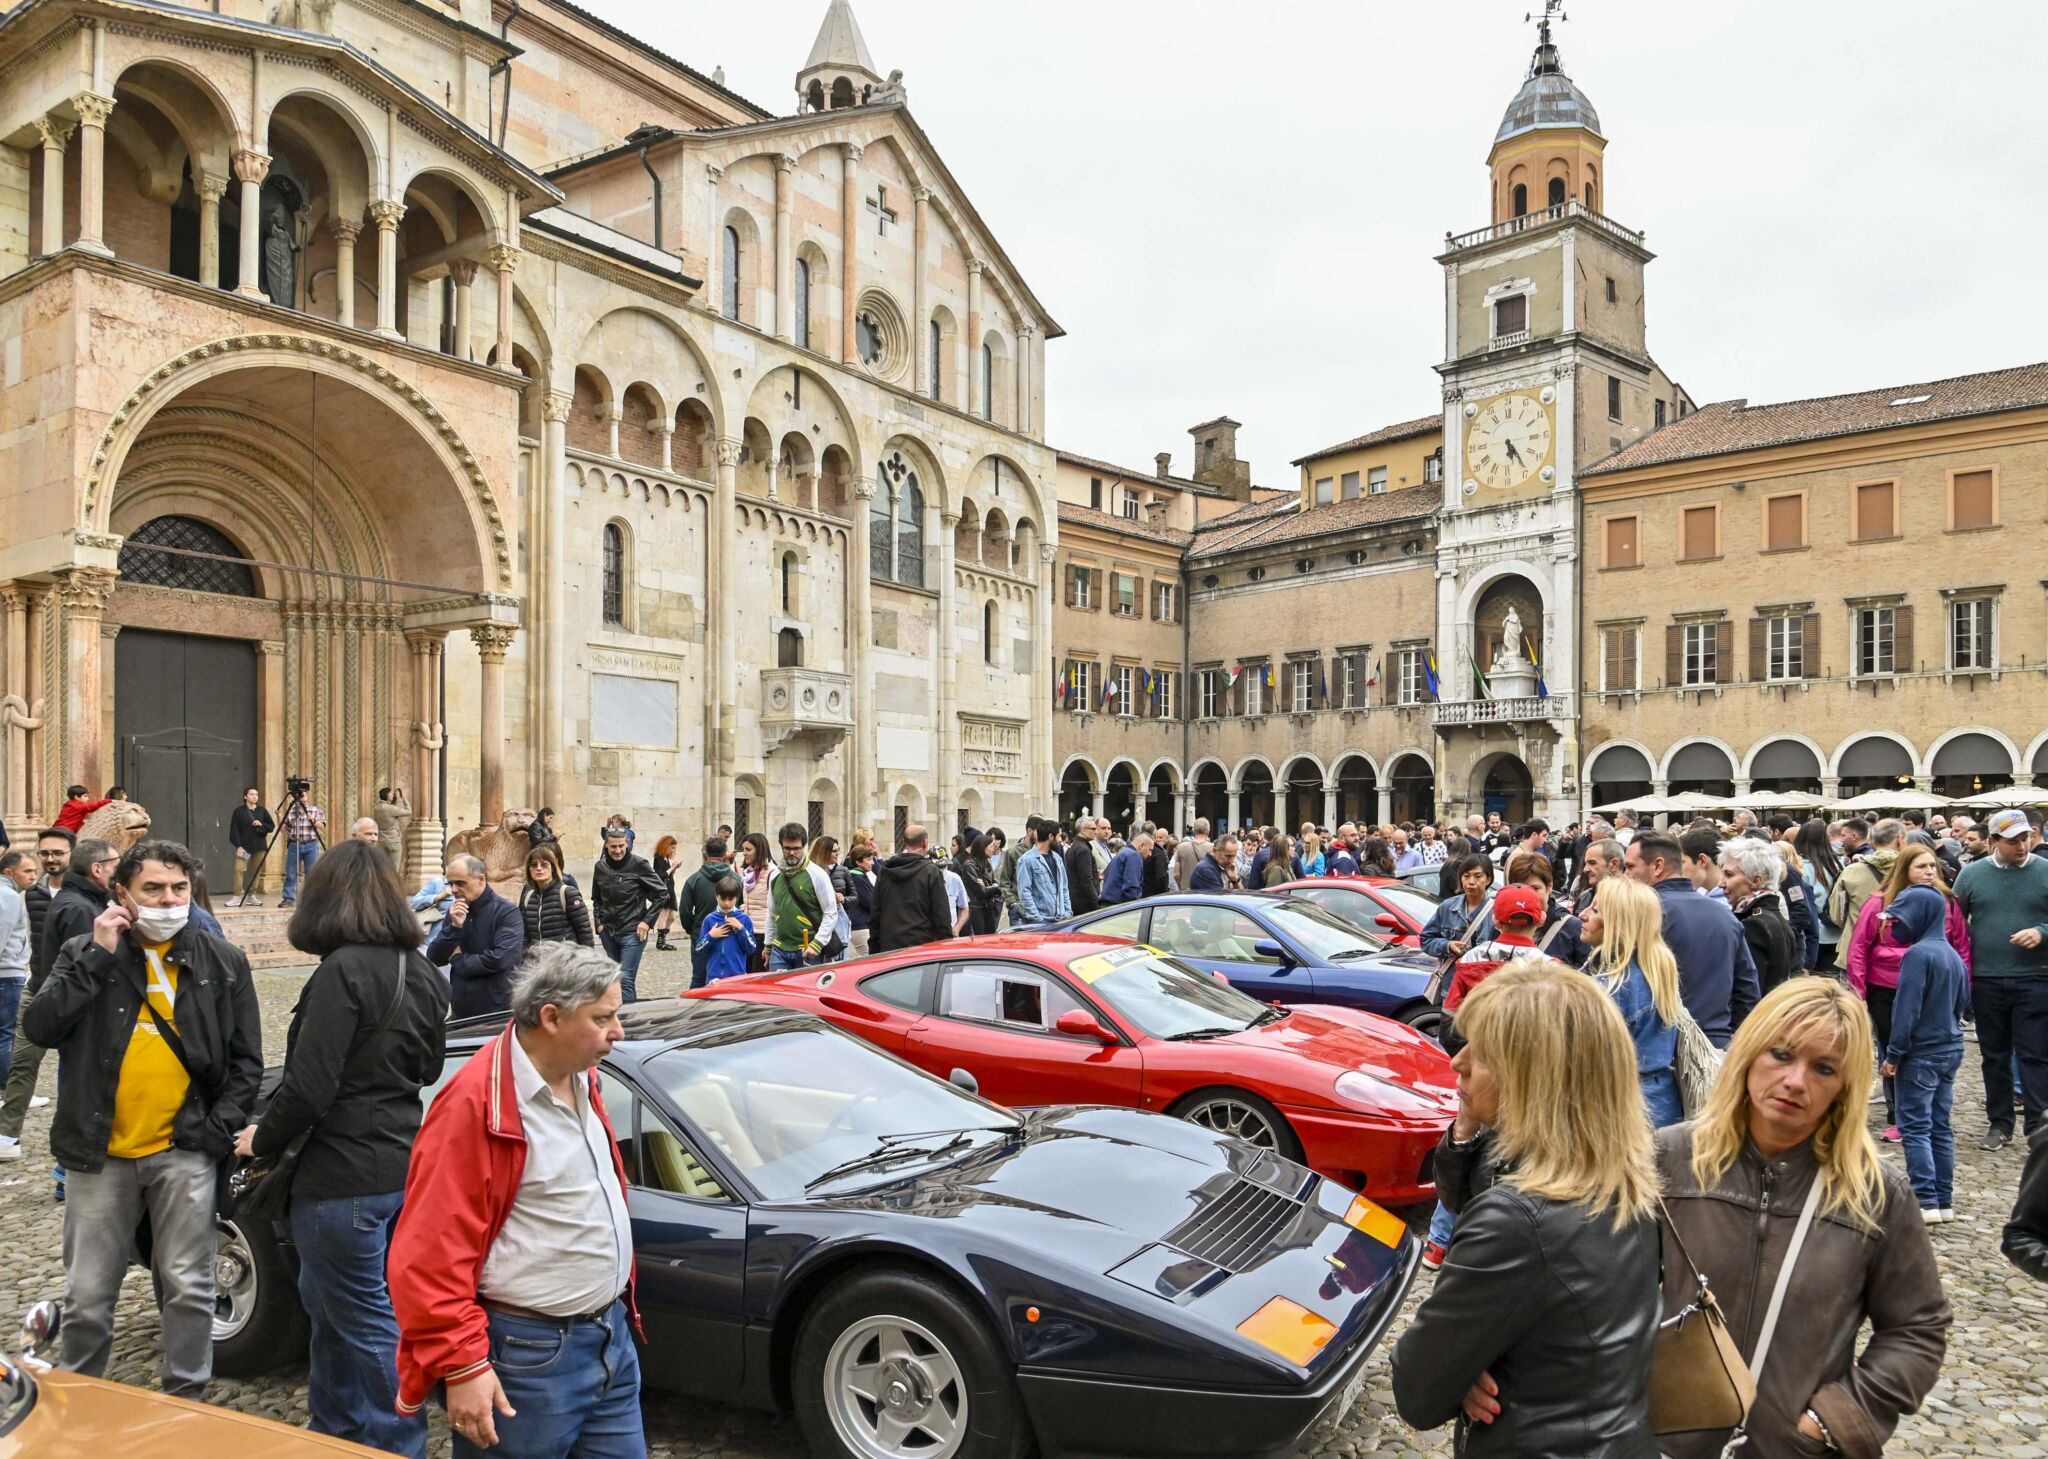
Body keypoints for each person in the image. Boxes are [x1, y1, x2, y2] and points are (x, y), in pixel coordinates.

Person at [1654, 978, 1950, 1458]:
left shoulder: (1875, 1193)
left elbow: (1917, 1326)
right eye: (1782, 1055)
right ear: (1749, 1054)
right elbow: (1598, 1297)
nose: (1795, 1081)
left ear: (1844, 1089)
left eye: (1824, 1069)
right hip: (1667, 1442)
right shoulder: (1668, 1160)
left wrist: (1833, 1419)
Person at [24, 838, 262, 1398]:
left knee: (189, 1284)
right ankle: (84, 1399)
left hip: (183, 1151)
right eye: (153, 888)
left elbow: (246, 1062)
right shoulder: (85, 951)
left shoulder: (221, 960)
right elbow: (39, 1028)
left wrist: (210, 1134)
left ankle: (186, 1399)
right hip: (99, 1151)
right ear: (122, 893)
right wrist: (95, 957)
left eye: (178, 888)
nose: (168, 899)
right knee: (88, 1292)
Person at [1391, 962, 1661, 1455]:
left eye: (1484, 1053)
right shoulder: (1625, 1180)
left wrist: (1460, 1370)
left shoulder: (1519, 1220)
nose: (1458, 1062)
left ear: (1534, 1077)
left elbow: (1418, 1391)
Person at [232, 840, 447, 1455]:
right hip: (399, 1164)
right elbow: (428, 1067)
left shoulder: (343, 971)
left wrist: (259, 1138)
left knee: (362, 1320)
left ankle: (393, 1439)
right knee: (330, 1310)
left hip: (340, 1174)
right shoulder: (423, 971)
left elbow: (307, 1086)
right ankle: (333, 1434)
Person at [389, 944, 640, 1459]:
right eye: (604, 1018)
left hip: (609, 1338)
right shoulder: (474, 1103)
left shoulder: (581, 1073)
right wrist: (463, 1364)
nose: (618, 1033)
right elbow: (427, 1254)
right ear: (551, 1017)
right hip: (528, 1357)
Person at [1846, 843, 1970, 1139]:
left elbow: (1960, 945)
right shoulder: (1880, 903)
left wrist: (1964, 988)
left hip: (1934, 988)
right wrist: (1858, 991)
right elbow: (1859, 947)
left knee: (1925, 1048)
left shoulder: (1946, 901)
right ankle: (1899, 1113)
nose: (1929, 872)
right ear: (1905, 870)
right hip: (1886, 988)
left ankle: (1925, 1112)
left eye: (1932, 866)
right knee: (1894, 1048)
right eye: (1921, 867)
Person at [0, 832, 103, 1170]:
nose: (50, 859)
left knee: (74, 1070)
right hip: (39, 988)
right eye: (44, 853)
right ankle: (7, 1134)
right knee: (23, 1061)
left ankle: (68, 1155)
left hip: (76, 992)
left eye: (58, 852)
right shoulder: (32, 892)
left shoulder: (88, 897)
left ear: (73, 854)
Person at [1953, 808, 2048, 1150]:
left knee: (2035, 1054)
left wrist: (2041, 931)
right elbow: (1954, 923)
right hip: (1987, 977)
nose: (2022, 846)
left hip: (2035, 977)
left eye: (2025, 838)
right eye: (2013, 841)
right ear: (1993, 841)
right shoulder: (1972, 875)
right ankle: (2000, 1123)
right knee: (1994, 1055)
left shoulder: (2044, 871)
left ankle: (2038, 1127)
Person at [1878, 884, 1969, 1221]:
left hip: (1920, 1052)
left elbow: (1907, 1010)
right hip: (1950, 1047)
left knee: (1915, 1126)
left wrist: (1894, 1055)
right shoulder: (1952, 955)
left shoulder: (1918, 955)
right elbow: (1963, 1003)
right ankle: (1943, 1201)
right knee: (1940, 1125)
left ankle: (1925, 1200)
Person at [1625, 832, 1761, 1048]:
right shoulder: (1725, 916)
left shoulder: (1641, 915)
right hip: (1712, 1045)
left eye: (1630, 867)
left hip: (1656, 1050)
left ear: (1657, 866)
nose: (1626, 876)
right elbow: (1747, 991)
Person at [1582, 875, 1683, 1127]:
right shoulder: (1655, 970)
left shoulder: (1612, 987)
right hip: (1659, 1103)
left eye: (1595, 910)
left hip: (1619, 1111)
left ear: (1617, 923)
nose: (1583, 914)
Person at [426, 855, 525, 1018]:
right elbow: (434, 957)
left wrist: (458, 960)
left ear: (481, 879)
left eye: (460, 883)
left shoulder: (506, 912)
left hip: (495, 1012)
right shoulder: (456, 911)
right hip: (461, 1009)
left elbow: (502, 959)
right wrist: (454, 928)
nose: (454, 889)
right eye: (451, 883)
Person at [589, 828, 667, 998]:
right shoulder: (600, 866)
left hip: (633, 931)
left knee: (625, 980)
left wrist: (647, 921)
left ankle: (628, 1023)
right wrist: (598, 923)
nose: (618, 850)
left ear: (627, 844)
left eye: (621, 846)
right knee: (616, 981)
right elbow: (597, 898)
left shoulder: (639, 864)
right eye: (613, 847)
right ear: (606, 846)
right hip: (609, 932)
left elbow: (662, 893)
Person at [1722, 837, 1798, 993]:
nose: (1721, 883)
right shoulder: (1773, 917)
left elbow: (1748, 990)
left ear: (1756, 880)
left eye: (1729, 875)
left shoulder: (1754, 924)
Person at [869, 823, 957, 952]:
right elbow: (941, 915)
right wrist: (946, 947)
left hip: (890, 946)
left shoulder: (885, 871)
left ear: (904, 842)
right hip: (921, 948)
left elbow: (876, 911)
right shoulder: (930, 872)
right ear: (925, 843)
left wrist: (874, 947)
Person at [765, 822, 838, 966]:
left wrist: (817, 943)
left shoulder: (817, 875)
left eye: (796, 848)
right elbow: (772, 914)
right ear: (781, 846)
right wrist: (768, 946)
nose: (792, 853)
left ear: (803, 847)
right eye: (787, 848)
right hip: (779, 949)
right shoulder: (774, 875)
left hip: (808, 950)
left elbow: (830, 912)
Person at [1829, 818, 1905, 935]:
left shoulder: (1851, 871)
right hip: (1898, 944)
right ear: (1901, 840)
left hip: (1855, 940)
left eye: (1843, 835)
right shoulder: (1912, 870)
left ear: (1872, 841)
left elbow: (1836, 915)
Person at [519, 845, 594, 948]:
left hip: (565, 960)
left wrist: (587, 961)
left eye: (544, 864)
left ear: (553, 868)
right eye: (534, 865)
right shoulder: (528, 898)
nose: (539, 868)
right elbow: (525, 935)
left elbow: (584, 933)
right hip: (538, 960)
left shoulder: (568, 893)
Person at [696, 876, 757, 981]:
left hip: (737, 977)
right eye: (723, 899)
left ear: (736, 898)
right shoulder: (709, 919)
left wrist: (741, 929)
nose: (727, 903)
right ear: (716, 896)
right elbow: (699, 949)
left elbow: (751, 948)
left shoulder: (744, 919)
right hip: (713, 977)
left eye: (730, 899)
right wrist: (711, 936)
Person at [1016, 818, 1072, 928]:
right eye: (1059, 836)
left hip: (1061, 919)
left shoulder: (1057, 858)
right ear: (1051, 836)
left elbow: (1064, 888)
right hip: (1040, 922)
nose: (1061, 839)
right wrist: (1036, 917)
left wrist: (1068, 912)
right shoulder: (1026, 860)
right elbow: (1024, 892)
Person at [228, 787, 276, 906]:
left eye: (256, 795)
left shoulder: (262, 811)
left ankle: (252, 896)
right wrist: (238, 846)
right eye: (251, 794)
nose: (255, 796)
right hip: (244, 847)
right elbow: (234, 830)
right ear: (245, 797)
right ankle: (237, 895)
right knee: (239, 869)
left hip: (259, 847)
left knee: (256, 871)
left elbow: (271, 826)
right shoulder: (239, 812)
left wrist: (261, 824)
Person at [812, 835, 854, 956]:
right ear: (824, 852)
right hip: (819, 922)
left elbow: (854, 897)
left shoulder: (843, 871)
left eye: (838, 850)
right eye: (833, 851)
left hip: (839, 922)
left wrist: (844, 899)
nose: (837, 854)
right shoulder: (814, 872)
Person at [955, 832, 1001, 936]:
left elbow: (995, 884)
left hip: (989, 908)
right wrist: (994, 888)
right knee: (979, 942)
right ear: (983, 847)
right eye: (991, 846)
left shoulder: (987, 864)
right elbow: (980, 892)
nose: (993, 849)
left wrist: (992, 887)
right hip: (976, 910)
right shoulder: (969, 866)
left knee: (990, 941)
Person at [844, 841, 877, 955]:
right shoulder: (858, 878)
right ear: (858, 861)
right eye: (868, 859)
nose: (872, 863)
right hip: (861, 926)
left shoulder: (859, 876)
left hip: (859, 925)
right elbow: (871, 902)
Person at [1102, 829, 1151, 903]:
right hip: (1118, 908)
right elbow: (1131, 888)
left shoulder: (1123, 853)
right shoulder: (1134, 855)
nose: (1150, 854)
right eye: (1150, 850)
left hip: (1109, 906)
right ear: (1142, 845)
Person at [649, 836, 680, 951]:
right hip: (663, 891)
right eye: (671, 847)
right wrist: (672, 868)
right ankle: (661, 942)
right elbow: (660, 876)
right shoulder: (658, 858)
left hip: (670, 889)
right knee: (664, 915)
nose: (673, 850)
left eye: (674, 848)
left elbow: (668, 875)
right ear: (665, 846)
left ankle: (663, 939)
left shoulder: (665, 858)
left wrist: (674, 869)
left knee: (672, 917)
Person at [373, 786, 412, 873]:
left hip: (381, 841)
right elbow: (408, 812)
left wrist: (395, 799)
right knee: (394, 869)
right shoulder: (390, 809)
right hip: (393, 841)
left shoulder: (377, 808)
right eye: (390, 794)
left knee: (382, 867)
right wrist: (404, 798)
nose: (392, 795)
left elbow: (391, 811)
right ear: (387, 796)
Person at [1173, 818, 1210, 891]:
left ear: (1193, 831)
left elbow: (1176, 874)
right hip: (1207, 892)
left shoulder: (1181, 847)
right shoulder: (1213, 848)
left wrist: (1182, 886)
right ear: (1208, 832)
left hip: (1187, 892)